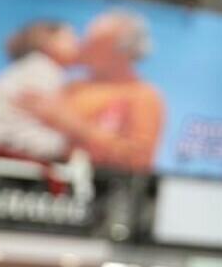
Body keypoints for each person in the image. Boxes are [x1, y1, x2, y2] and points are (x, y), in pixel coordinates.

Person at [14, 9, 165, 172]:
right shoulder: (73, 87)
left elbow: (139, 160)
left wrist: (74, 127)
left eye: (96, 45)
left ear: (123, 52)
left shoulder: (144, 95)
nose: (84, 48)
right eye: (87, 41)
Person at [0, 20, 78, 159]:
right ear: (48, 43)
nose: (77, 44)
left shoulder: (23, 68)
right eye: (70, 39)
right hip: (12, 152)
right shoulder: (45, 69)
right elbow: (44, 131)